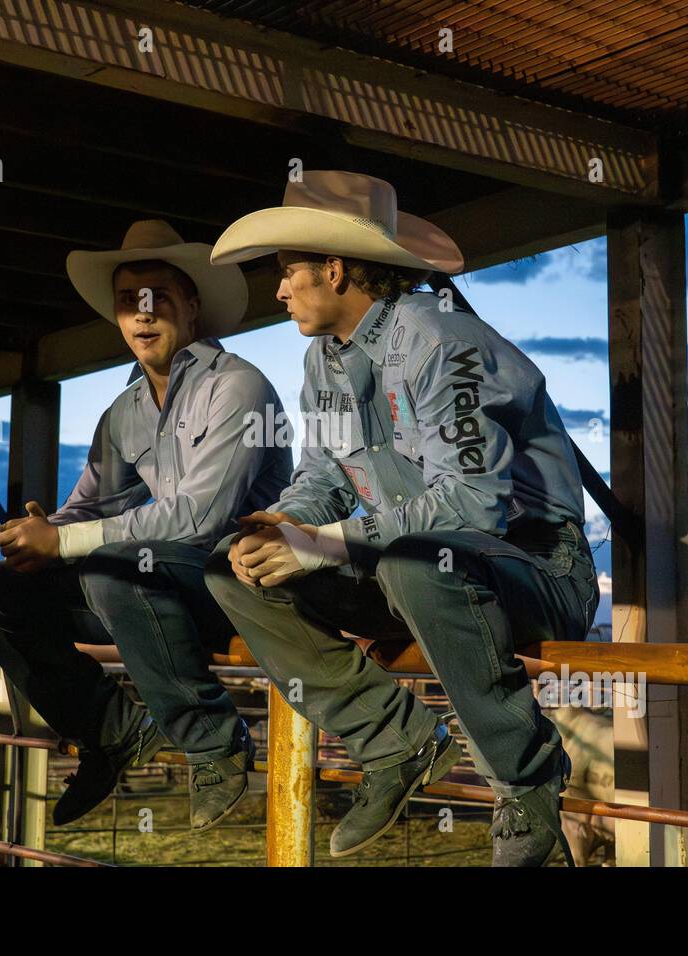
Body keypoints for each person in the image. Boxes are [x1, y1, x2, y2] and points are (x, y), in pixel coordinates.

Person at [203, 171, 599, 864]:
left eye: (288, 271)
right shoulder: (322, 361)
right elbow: (326, 475)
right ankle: (396, 743)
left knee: (415, 561)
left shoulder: (440, 339)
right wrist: (283, 524)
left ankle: (527, 784)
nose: (279, 289)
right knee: (233, 571)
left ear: (333, 268)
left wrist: (320, 544)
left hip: (533, 567)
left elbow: (471, 502)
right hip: (410, 572)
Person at [0, 220, 291, 830]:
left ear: (192, 308)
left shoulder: (237, 387)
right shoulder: (125, 410)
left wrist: (64, 541)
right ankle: (109, 731)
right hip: (150, 591)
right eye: (128, 303)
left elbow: (200, 516)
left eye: (158, 299)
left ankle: (216, 742)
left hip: (234, 580)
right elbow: (92, 505)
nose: (142, 315)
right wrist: (43, 532)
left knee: (116, 568)